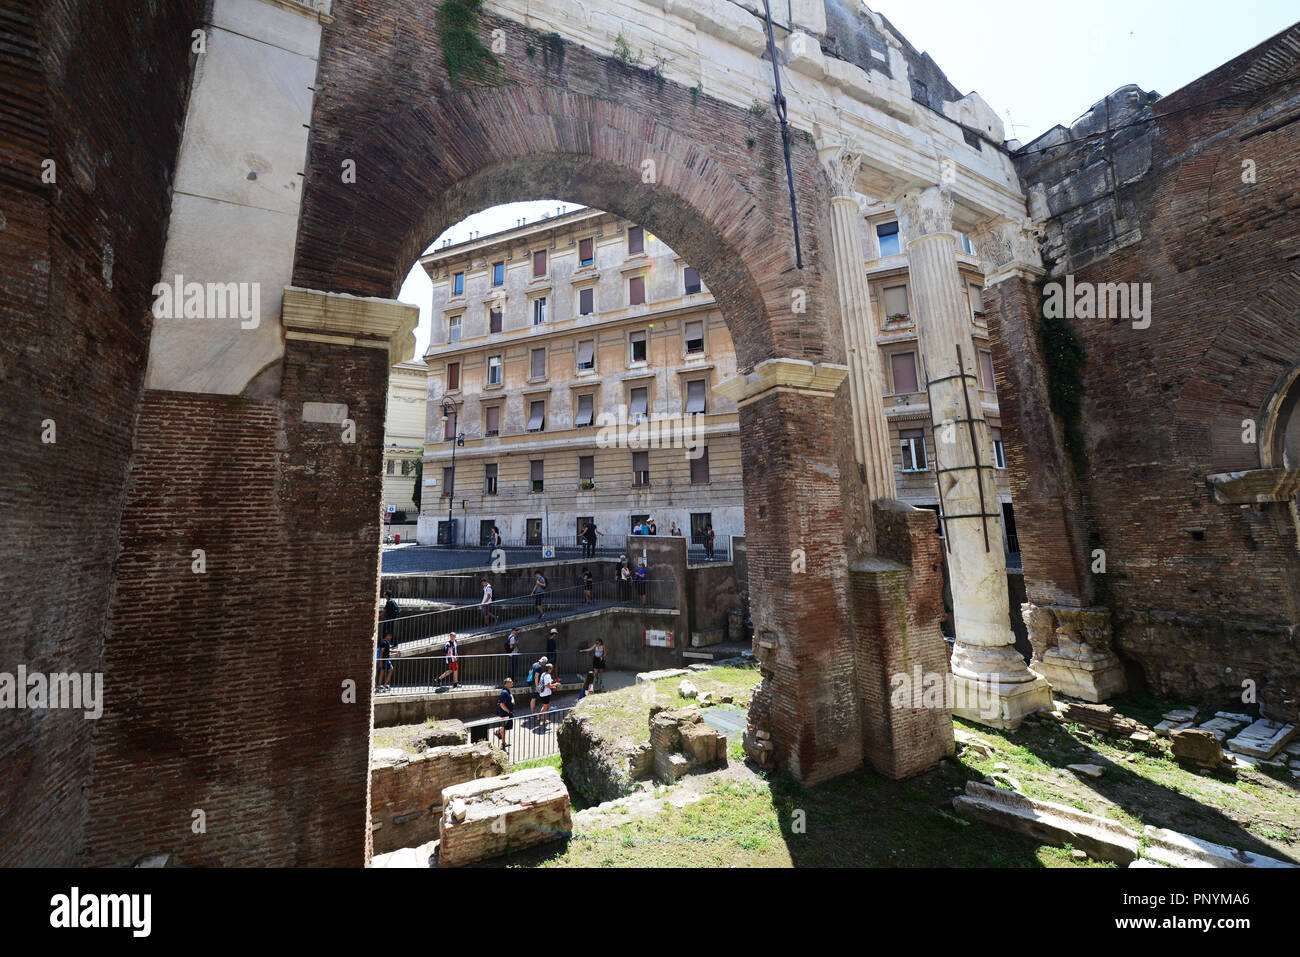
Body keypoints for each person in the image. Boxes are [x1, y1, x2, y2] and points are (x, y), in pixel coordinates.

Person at [494, 678, 515, 750]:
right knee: (505, 727)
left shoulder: (507, 691)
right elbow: (502, 704)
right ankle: (502, 741)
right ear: (506, 684)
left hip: (508, 712)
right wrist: (508, 712)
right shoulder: (504, 692)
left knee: (506, 727)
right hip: (505, 713)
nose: (512, 683)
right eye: (510, 682)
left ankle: (500, 734)